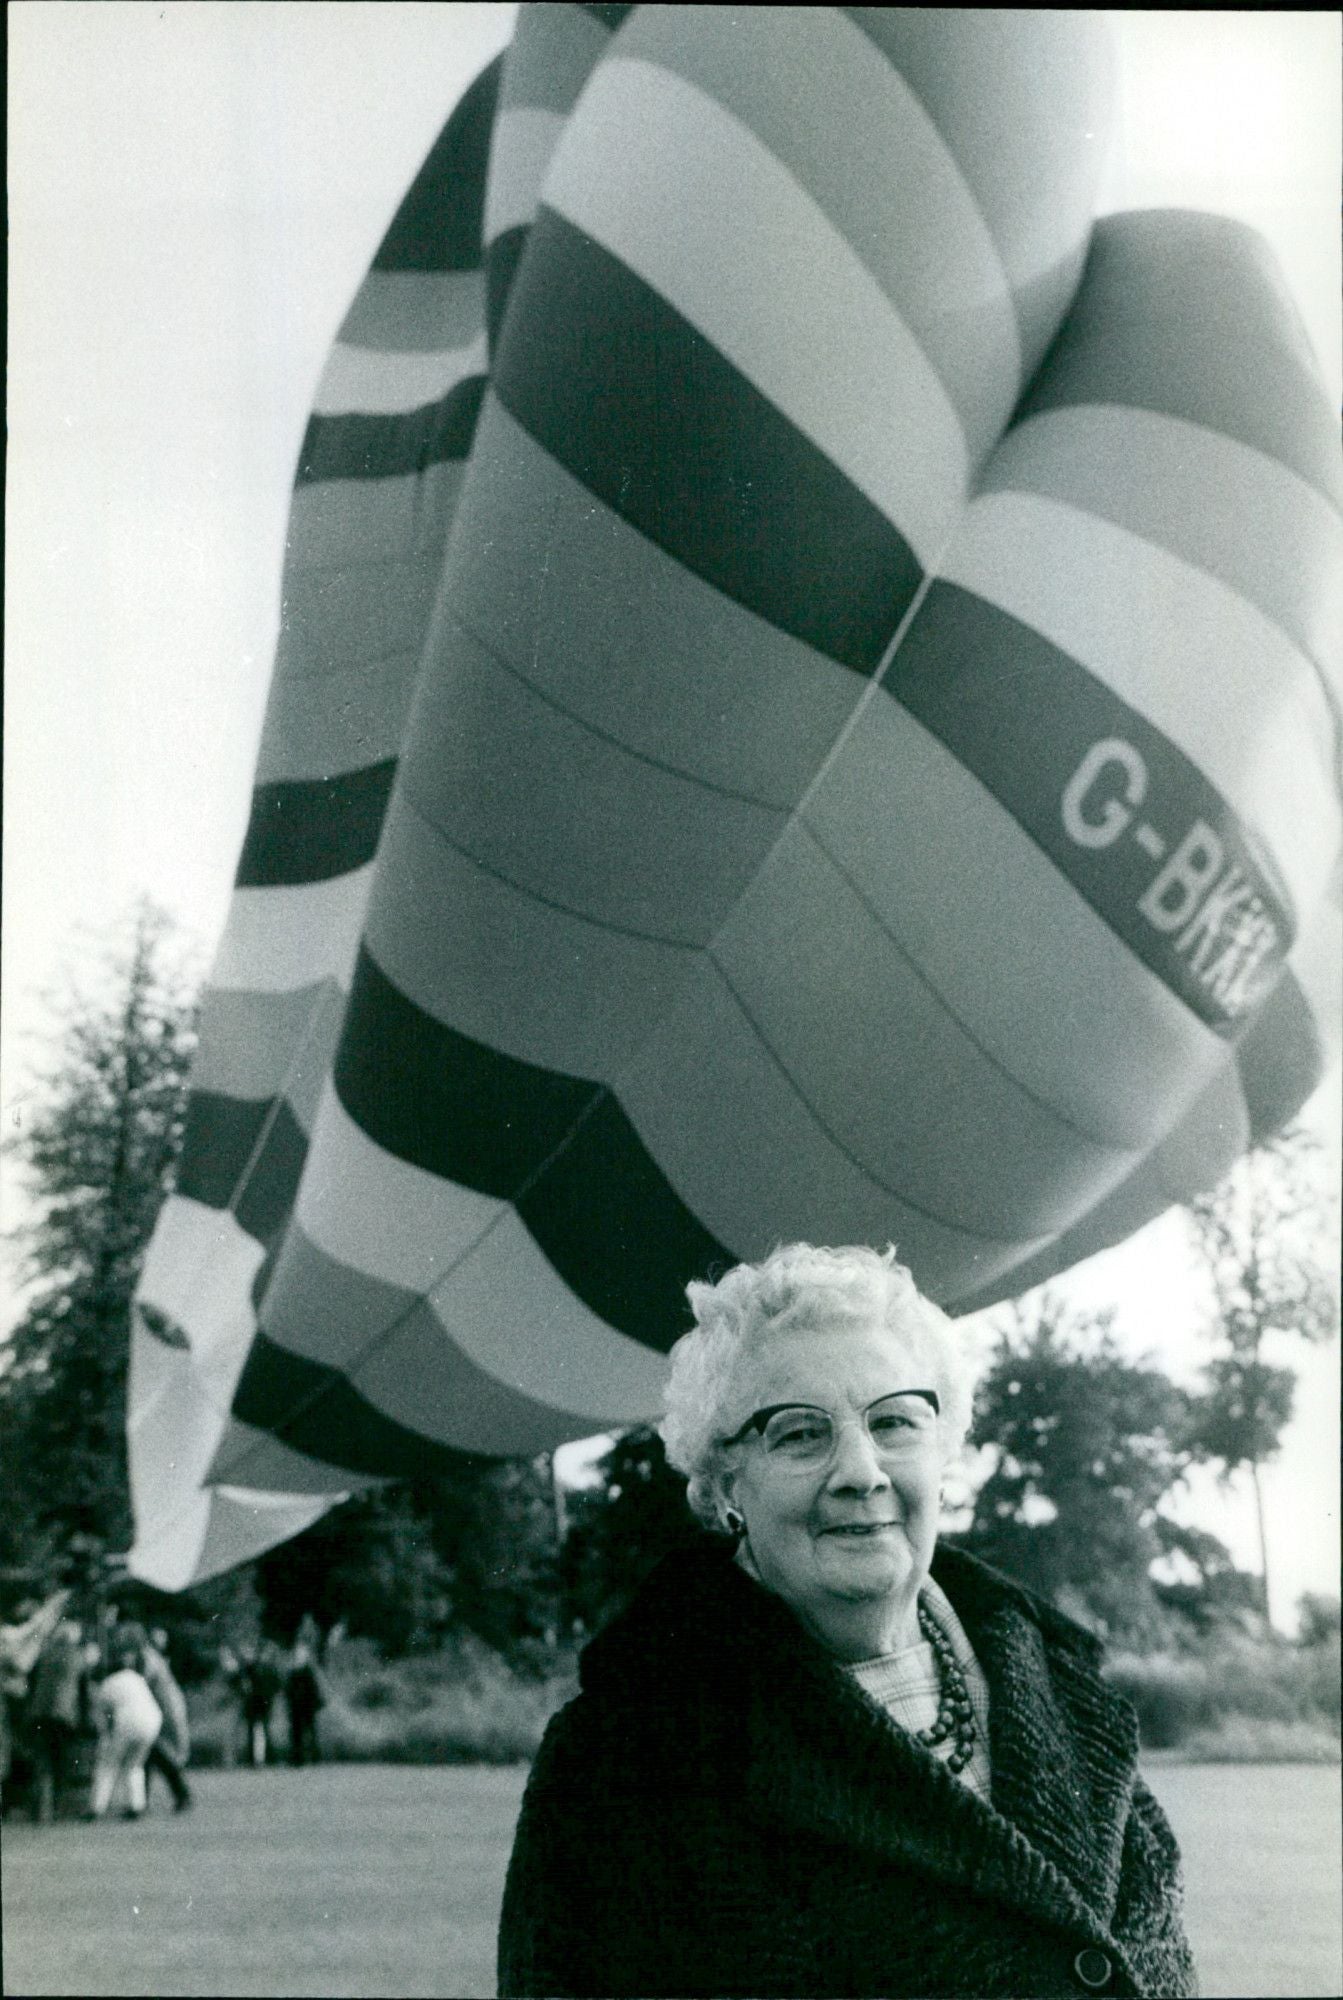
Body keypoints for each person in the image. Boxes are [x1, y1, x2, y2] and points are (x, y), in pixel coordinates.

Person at [498, 1243, 1197, 1999]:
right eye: (800, 1433)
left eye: (894, 1422)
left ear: (943, 1452)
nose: (861, 1472)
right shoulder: (622, 1761)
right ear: (726, 1483)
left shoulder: (1067, 1695)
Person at [89, 1631, 162, 1820]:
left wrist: (105, 1737)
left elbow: (100, 1717)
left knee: (108, 1765)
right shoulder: (135, 1677)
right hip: (152, 1721)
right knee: (134, 1764)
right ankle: (136, 1805)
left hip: (128, 1721)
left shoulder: (107, 1684)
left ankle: (96, 1808)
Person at [25, 1619, 90, 1823]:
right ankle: (56, 1808)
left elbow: (31, 1682)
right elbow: (84, 1692)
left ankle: (39, 1810)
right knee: (61, 1762)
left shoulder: (43, 1653)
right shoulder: (78, 1656)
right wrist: (84, 1719)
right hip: (64, 1716)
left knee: (42, 1761)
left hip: (39, 1713)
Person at [141, 1630, 193, 1811]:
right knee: (152, 1755)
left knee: (158, 1754)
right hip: (164, 1710)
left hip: (163, 1712)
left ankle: (179, 1795)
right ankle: (142, 1800)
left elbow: (145, 1682)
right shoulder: (159, 1660)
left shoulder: (150, 1659)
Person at [284, 1640, 326, 1766]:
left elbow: (314, 1690)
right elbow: (288, 1690)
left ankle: (313, 1756)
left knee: (310, 1731)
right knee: (297, 1733)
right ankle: (298, 1758)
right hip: (296, 1706)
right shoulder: (293, 1672)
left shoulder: (307, 1672)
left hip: (307, 1706)